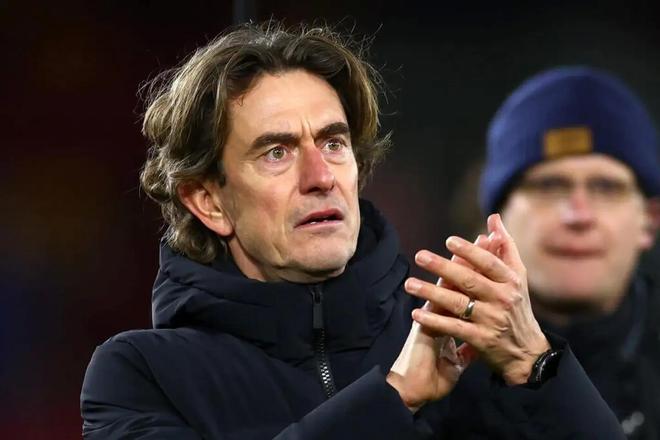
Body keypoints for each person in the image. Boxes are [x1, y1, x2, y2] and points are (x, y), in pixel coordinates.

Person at [81, 24, 623, 439]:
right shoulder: (140, 376)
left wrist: (536, 363)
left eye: (334, 143)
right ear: (208, 201)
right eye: (276, 152)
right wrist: (395, 397)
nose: (320, 177)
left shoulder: (466, 338)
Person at [480, 66, 660, 439]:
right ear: (498, 219)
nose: (578, 215)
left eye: (606, 187)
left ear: (650, 220)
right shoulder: (430, 365)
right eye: (549, 186)